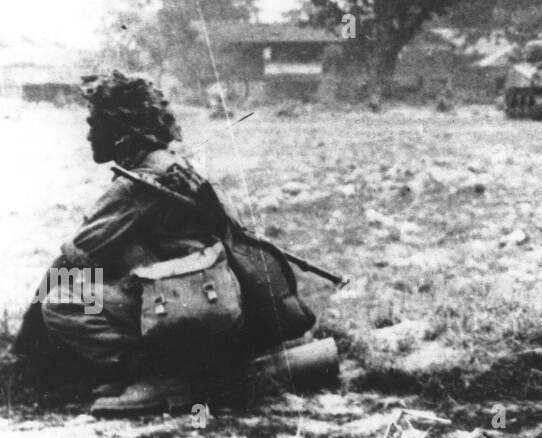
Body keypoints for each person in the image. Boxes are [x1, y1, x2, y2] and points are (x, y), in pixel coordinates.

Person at [14, 71, 316, 414]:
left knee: (62, 300)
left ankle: (158, 377)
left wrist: (26, 340)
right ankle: (171, 368)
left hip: (191, 308)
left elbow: (73, 259)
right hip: (218, 304)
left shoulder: (138, 184)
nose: (88, 134)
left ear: (120, 129)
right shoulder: (177, 166)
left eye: (94, 122)